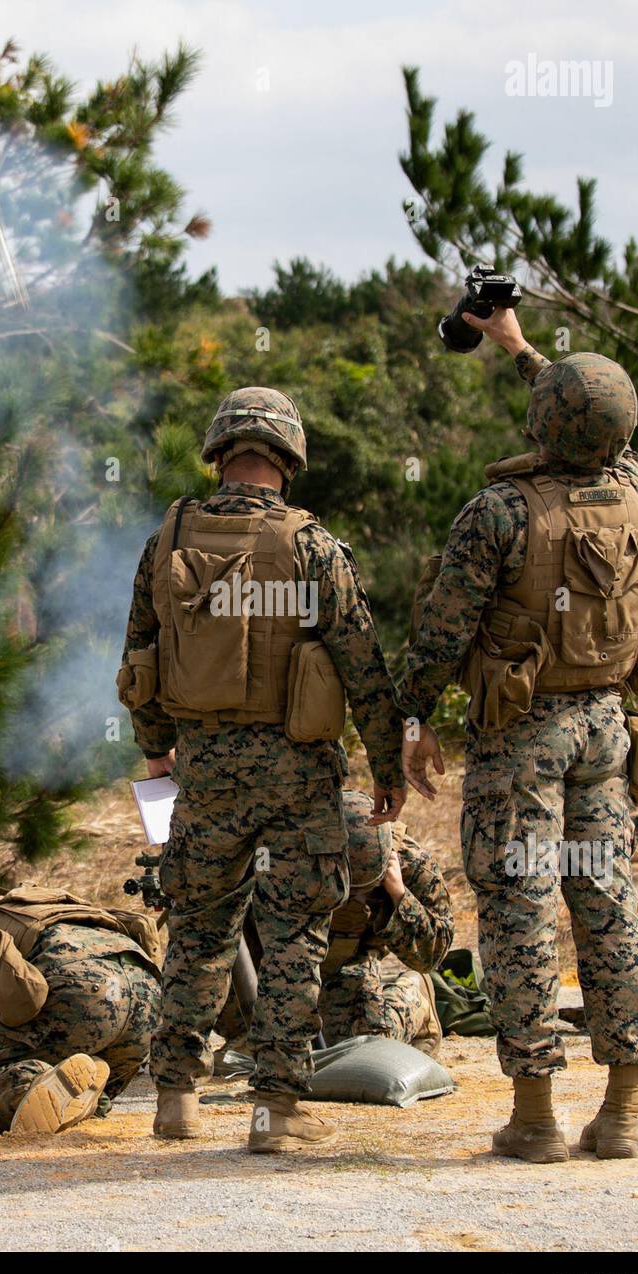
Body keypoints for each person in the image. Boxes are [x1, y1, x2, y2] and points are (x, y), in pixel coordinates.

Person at [398, 306, 638, 1163]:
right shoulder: (632, 490)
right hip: (607, 729)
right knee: (608, 904)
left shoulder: (499, 512)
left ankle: (536, 1117)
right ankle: (622, 1111)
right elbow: (594, 426)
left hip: (521, 741)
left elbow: (441, 631)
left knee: (519, 910)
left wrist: (409, 720)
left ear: (541, 422)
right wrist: (519, 347)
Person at [117, 386, 406, 1152]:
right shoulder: (311, 546)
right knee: (294, 934)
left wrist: (156, 750)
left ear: (220, 453)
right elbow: (363, 664)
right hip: (298, 770)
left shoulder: (169, 536)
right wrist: (388, 765)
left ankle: (175, 1099)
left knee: (200, 931)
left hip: (204, 769)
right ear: (288, 456)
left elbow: (138, 658)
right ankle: (275, 1111)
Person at [0, 883, 162, 1134]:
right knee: (55, 1046)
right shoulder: (7, 919)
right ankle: (91, 1091)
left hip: (77, 990)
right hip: (146, 989)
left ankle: (31, 1085)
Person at [317, 790, 452, 1051]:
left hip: (349, 959)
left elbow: (432, 955)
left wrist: (399, 896)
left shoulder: (412, 864)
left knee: (364, 1046)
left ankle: (415, 998)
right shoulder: (292, 846)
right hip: (295, 953)